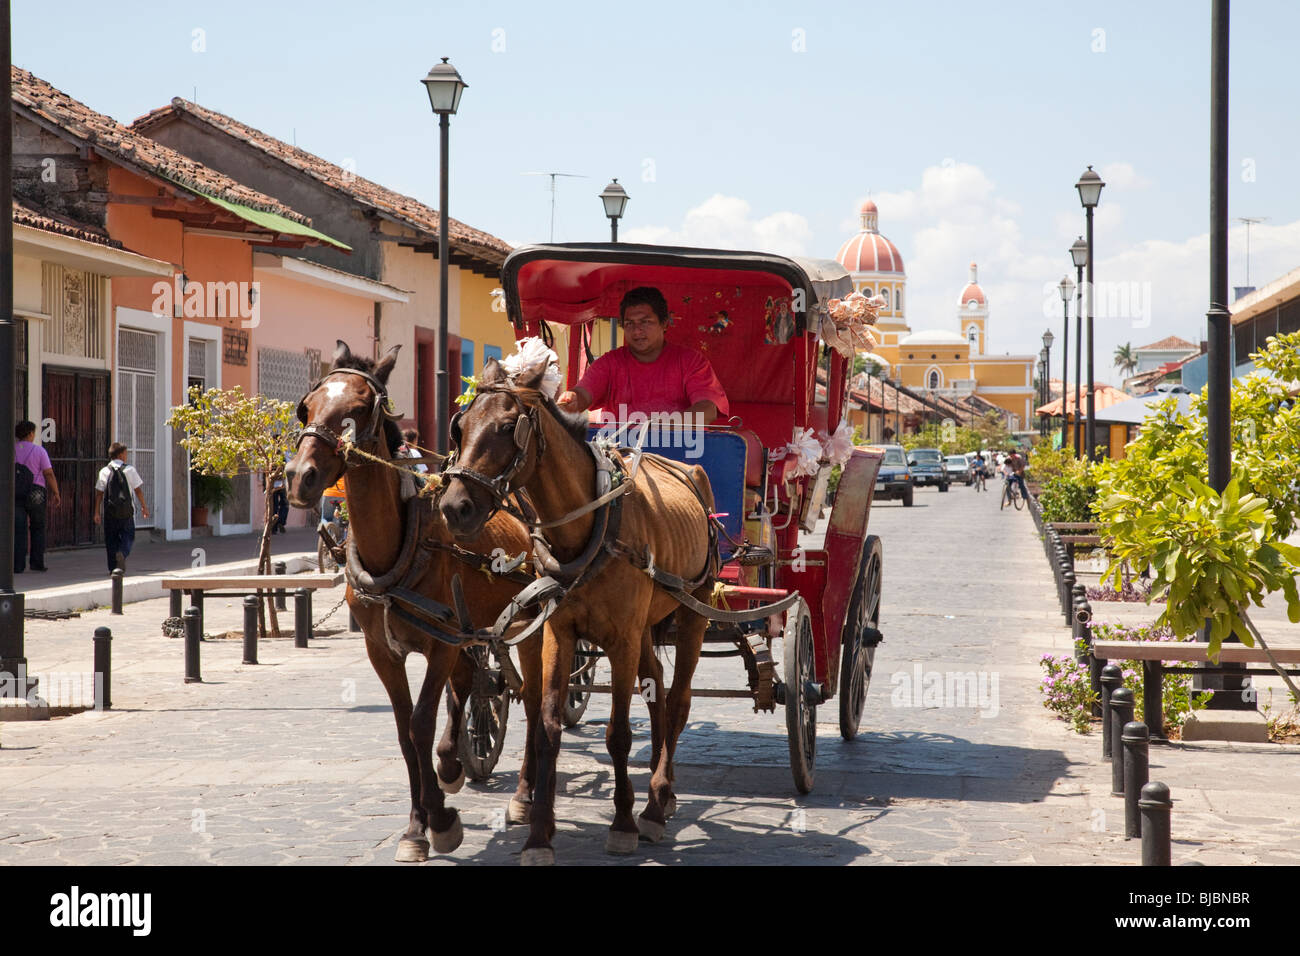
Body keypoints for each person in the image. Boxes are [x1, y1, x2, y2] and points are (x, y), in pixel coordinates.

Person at [557, 286, 729, 424]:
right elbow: (583, 394)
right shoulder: (609, 363)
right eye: (630, 323)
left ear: (664, 324)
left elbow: (708, 410)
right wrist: (573, 399)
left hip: (680, 456)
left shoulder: (692, 362)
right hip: (619, 456)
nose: (637, 330)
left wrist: (663, 425)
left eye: (646, 322)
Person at [93, 442, 149, 574]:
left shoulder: (104, 471)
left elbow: (99, 493)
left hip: (110, 512)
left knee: (110, 539)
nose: (126, 456)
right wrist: (144, 507)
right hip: (126, 512)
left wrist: (96, 512)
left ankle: (113, 568)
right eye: (125, 453)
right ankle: (122, 552)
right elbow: (138, 490)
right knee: (128, 535)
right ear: (120, 455)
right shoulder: (129, 469)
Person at [14, 421, 60, 573]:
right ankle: (37, 562)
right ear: (30, 434)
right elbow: (48, 473)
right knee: (37, 527)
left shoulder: (10, 450)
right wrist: (56, 492)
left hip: (16, 493)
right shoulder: (39, 451)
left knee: (18, 529)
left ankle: (18, 564)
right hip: (36, 493)